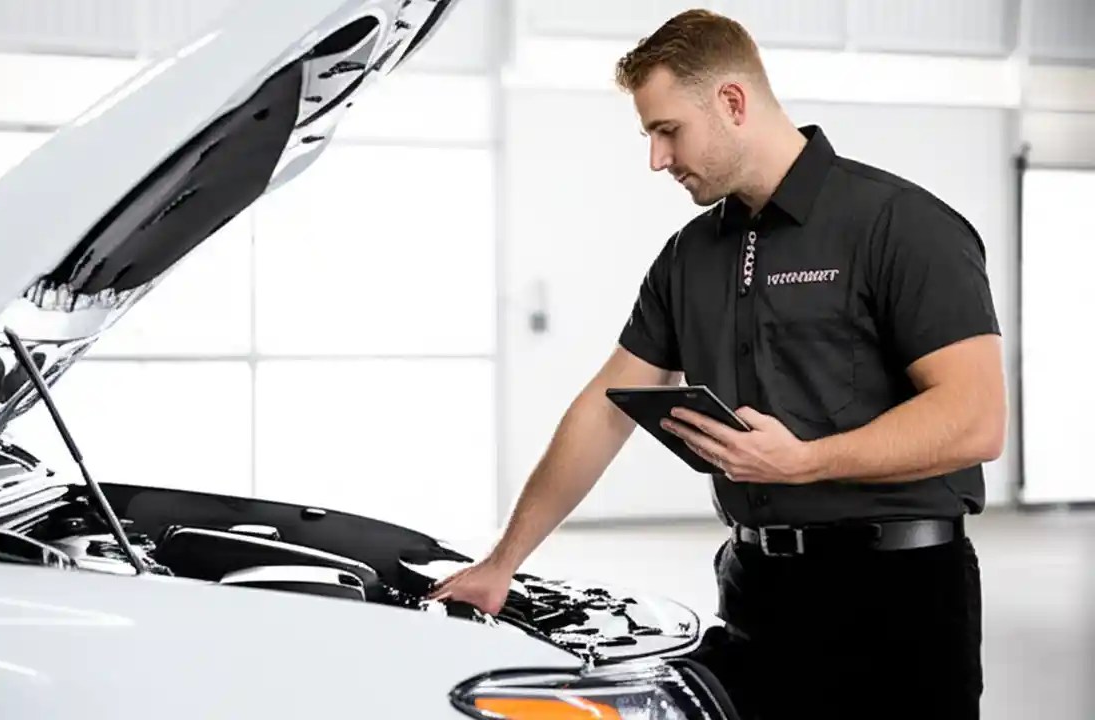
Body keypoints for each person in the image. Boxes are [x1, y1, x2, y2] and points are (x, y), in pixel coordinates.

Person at [429, 8, 1007, 720]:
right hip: (756, 595)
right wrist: (502, 563)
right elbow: (603, 412)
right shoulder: (687, 257)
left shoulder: (902, 226)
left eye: (667, 130)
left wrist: (805, 462)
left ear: (732, 102)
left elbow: (976, 418)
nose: (657, 158)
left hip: (898, 601)